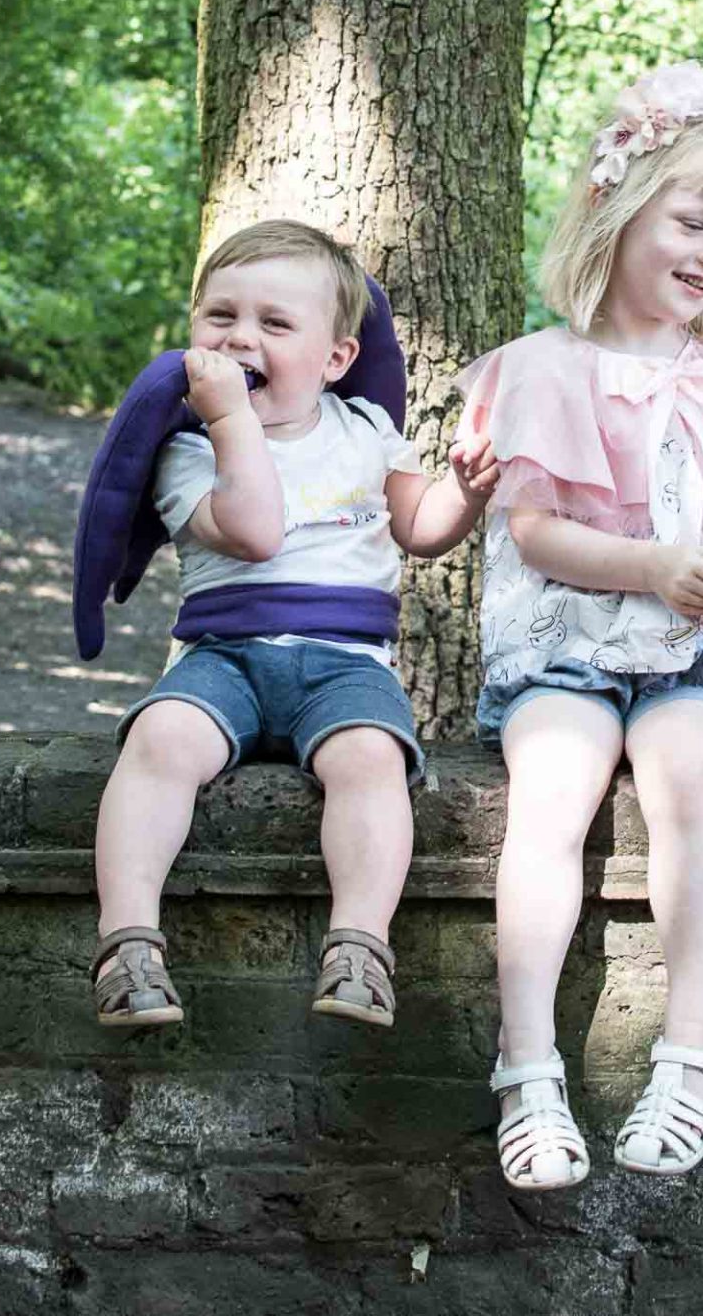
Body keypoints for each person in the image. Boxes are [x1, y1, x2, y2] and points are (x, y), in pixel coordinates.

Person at [457, 62, 703, 1190]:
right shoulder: (541, 367)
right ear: (617, 209)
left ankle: (691, 1042)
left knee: (682, 770)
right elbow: (533, 529)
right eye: (693, 221)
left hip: (701, 656)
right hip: (569, 645)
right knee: (553, 783)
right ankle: (526, 1061)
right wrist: (653, 566)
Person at [90, 219, 497, 1032]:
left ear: (336, 358)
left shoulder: (369, 432)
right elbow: (254, 530)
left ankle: (360, 946)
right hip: (223, 657)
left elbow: (418, 528)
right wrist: (230, 420)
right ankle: (126, 940)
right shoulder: (189, 448)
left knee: (371, 760)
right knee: (160, 741)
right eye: (221, 317)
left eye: (275, 324)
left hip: (345, 663)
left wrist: (468, 493)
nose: (242, 336)